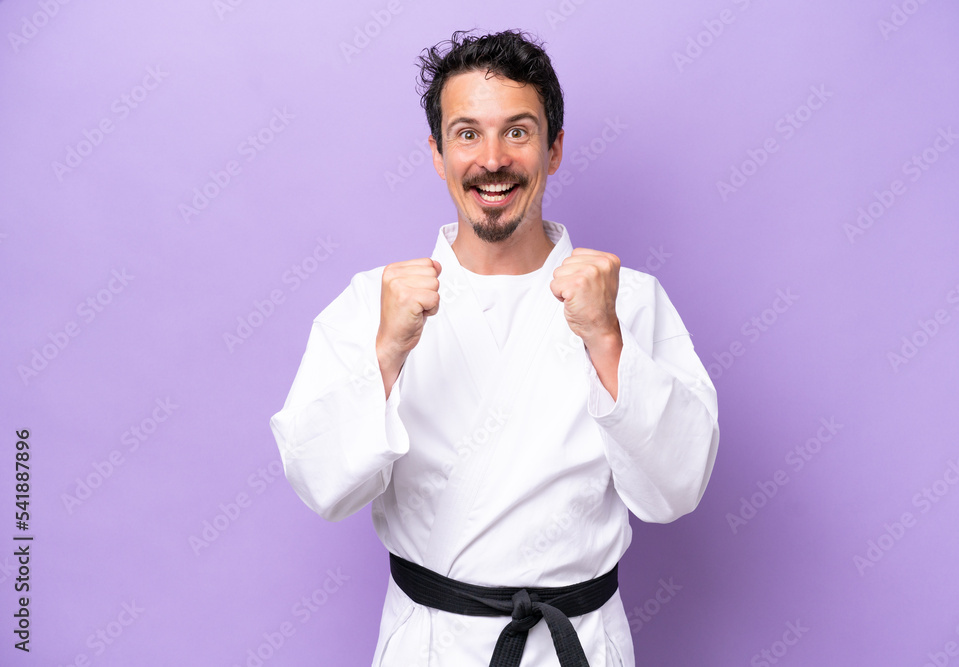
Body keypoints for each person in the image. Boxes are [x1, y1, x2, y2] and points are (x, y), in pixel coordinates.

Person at [270, 29, 719, 667]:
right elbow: (322, 486)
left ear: (553, 148)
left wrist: (606, 339)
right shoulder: (372, 302)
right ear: (436, 152)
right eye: (467, 133)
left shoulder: (631, 301)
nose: (492, 159)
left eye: (517, 131)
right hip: (432, 645)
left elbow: (675, 492)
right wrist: (386, 354)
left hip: (579, 643)